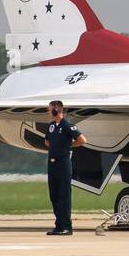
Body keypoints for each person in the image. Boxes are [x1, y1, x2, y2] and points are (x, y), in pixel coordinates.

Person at [44, 100, 86, 235]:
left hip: (63, 164)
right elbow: (47, 141)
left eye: (49, 109)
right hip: (52, 164)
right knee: (54, 195)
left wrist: (67, 145)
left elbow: (82, 140)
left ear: (57, 110)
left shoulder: (67, 125)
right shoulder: (51, 126)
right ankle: (59, 225)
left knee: (64, 195)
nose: (48, 111)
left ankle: (66, 227)